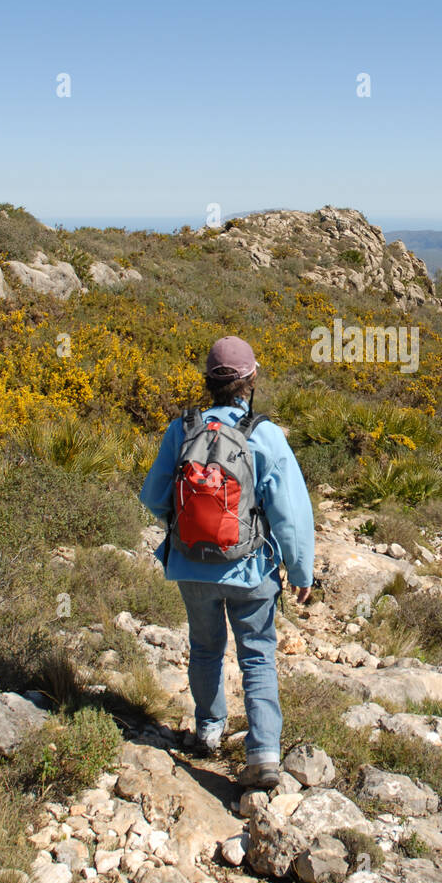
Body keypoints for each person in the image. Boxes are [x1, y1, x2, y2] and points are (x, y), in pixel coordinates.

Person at [139, 335, 314, 790]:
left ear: (209, 382)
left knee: (205, 647)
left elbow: (155, 497)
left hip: (191, 564)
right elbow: (291, 515)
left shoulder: (182, 429)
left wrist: (190, 529)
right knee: (257, 655)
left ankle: (208, 730)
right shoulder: (264, 435)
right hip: (250, 569)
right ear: (250, 380)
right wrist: (300, 571)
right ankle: (264, 754)